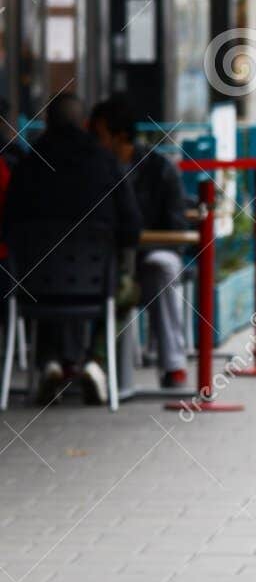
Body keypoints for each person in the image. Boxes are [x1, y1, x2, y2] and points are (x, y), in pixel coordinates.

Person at [2, 91, 142, 405]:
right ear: (84, 123)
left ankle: (50, 362)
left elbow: (8, 226)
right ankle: (95, 362)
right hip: (96, 287)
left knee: (45, 273)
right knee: (126, 289)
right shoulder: (106, 162)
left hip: (33, 290)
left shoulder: (28, 164)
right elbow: (132, 230)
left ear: (47, 122)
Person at [89, 96, 189, 389]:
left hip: (147, 261)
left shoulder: (160, 169)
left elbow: (177, 230)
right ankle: (84, 367)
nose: (93, 143)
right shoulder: (92, 171)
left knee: (164, 266)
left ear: (120, 137)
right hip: (101, 264)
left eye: (99, 135)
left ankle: (173, 365)